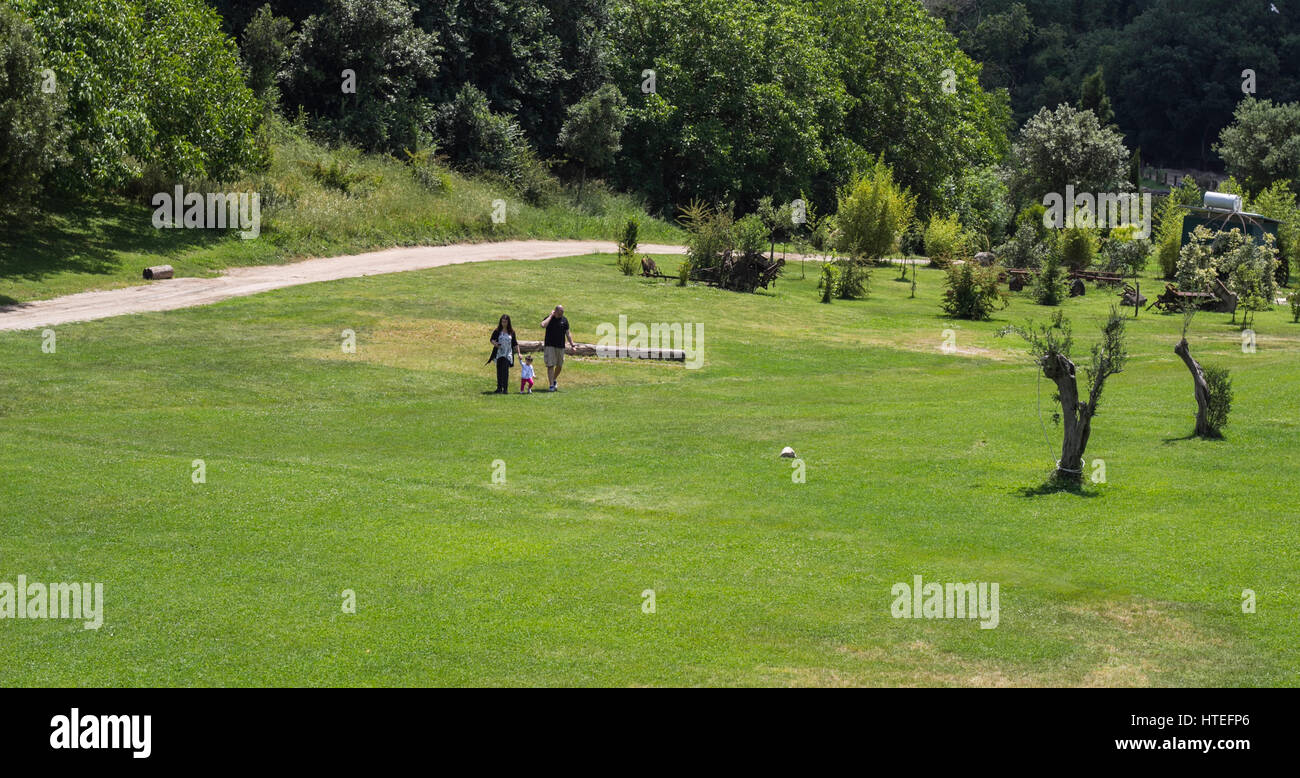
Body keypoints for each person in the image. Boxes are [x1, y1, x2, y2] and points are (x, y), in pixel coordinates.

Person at [539, 304, 575, 392]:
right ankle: (551, 385)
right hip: (550, 345)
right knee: (550, 365)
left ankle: (554, 379)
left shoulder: (564, 320)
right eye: (559, 313)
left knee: (559, 365)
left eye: (562, 313)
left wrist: (572, 345)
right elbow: (543, 325)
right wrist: (551, 316)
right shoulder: (549, 318)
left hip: (561, 346)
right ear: (555, 311)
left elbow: (568, 333)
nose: (561, 315)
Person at [489, 314, 521, 394]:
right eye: (502, 321)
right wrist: (495, 344)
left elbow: (515, 343)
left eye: (505, 322)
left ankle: (505, 389)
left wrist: (519, 353)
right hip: (499, 353)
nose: (504, 323)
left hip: (508, 354)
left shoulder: (512, 332)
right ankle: (499, 388)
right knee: (499, 371)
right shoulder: (497, 331)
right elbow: (492, 339)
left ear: (508, 322)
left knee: (505, 371)